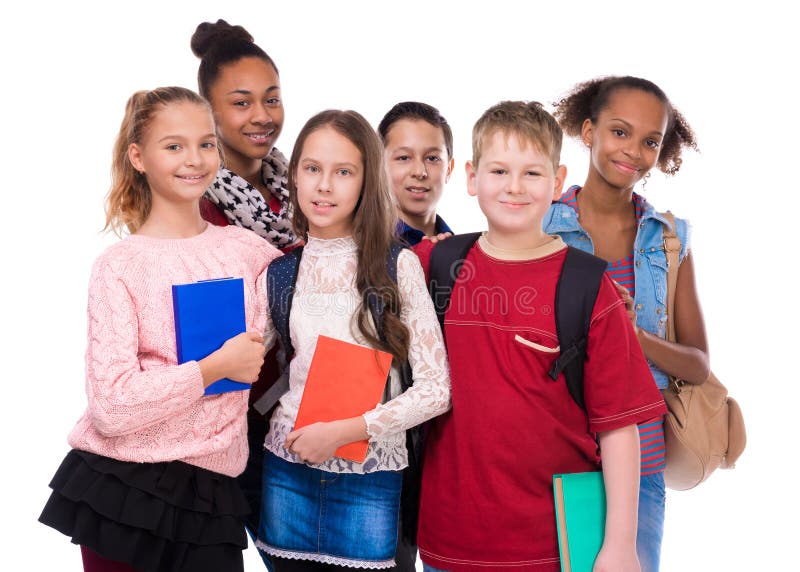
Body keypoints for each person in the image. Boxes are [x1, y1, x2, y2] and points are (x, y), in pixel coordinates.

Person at [414, 101, 667, 572]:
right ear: (471, 178)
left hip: (555, 546)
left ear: (556, 181)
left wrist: (620, 546)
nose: (513, 187)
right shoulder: (440, 265)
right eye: (498, 170)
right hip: (449, 540)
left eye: (531, 173)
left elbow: (619, 428)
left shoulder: (589, 286)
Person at [38, 86, 281, 572]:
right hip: (123, 490)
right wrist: (212, 369)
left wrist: (419, 239)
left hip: (214, 490)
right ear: (138, 157)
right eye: (174, 146)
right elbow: (111, 406)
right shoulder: (120, 266)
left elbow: (324, 287)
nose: (194, 159)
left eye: (206, 143)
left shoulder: (248, 250)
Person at [255, 109, 451, 571]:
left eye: (343, 172)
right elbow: (242, 361)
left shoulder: (396, 266)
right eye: (312, 169)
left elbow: (436, 390)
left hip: (369, 477)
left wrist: (345, 431)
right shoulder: (280, 271)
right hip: (287, 469)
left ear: (367, 181)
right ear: (294, 176)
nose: (324, 186)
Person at [543, 75, 708, 572]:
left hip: (642, 468)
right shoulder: (540, 223)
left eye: (650, 141)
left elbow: (698, 364)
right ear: (589, 132)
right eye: (620, 132)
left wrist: (633, 336)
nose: (633, 151)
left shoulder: (668, 239)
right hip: (554, 456)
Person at [191, 21, 299, 562]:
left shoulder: (302, 185)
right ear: (207, 112)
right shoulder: (195, 206)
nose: (262, 116)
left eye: (272, 99)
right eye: (241, 102)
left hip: (319, 404)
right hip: (245, 419)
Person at [378, 101, 455, 246]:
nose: (419, 172)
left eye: (432, 158)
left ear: (449, 169)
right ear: (380, 166)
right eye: (404, 158)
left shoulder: (463, 251)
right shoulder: (359, 247)